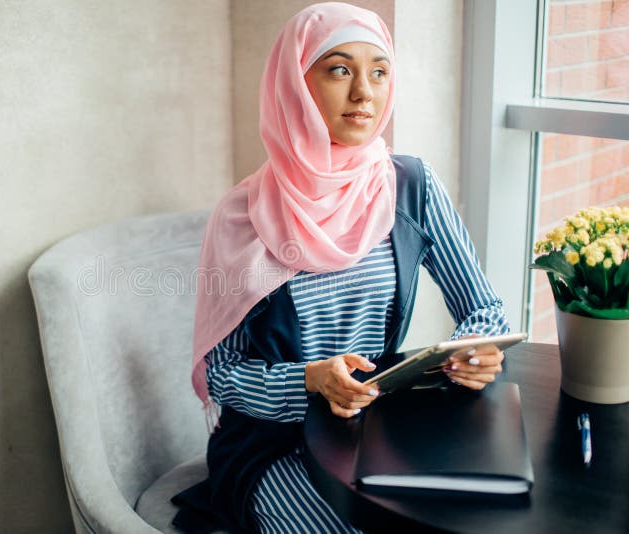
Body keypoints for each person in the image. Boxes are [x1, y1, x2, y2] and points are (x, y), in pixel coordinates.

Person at [173, 3, 510, 533]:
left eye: (379, 71)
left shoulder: (410, 187)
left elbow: (484, 309)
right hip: (275, 447)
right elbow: (222, 375)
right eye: (339, 70)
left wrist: (474, 348)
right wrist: (309, 381)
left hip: (377, 429)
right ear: (294, 84)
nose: (364, 93)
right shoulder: (242, 216)